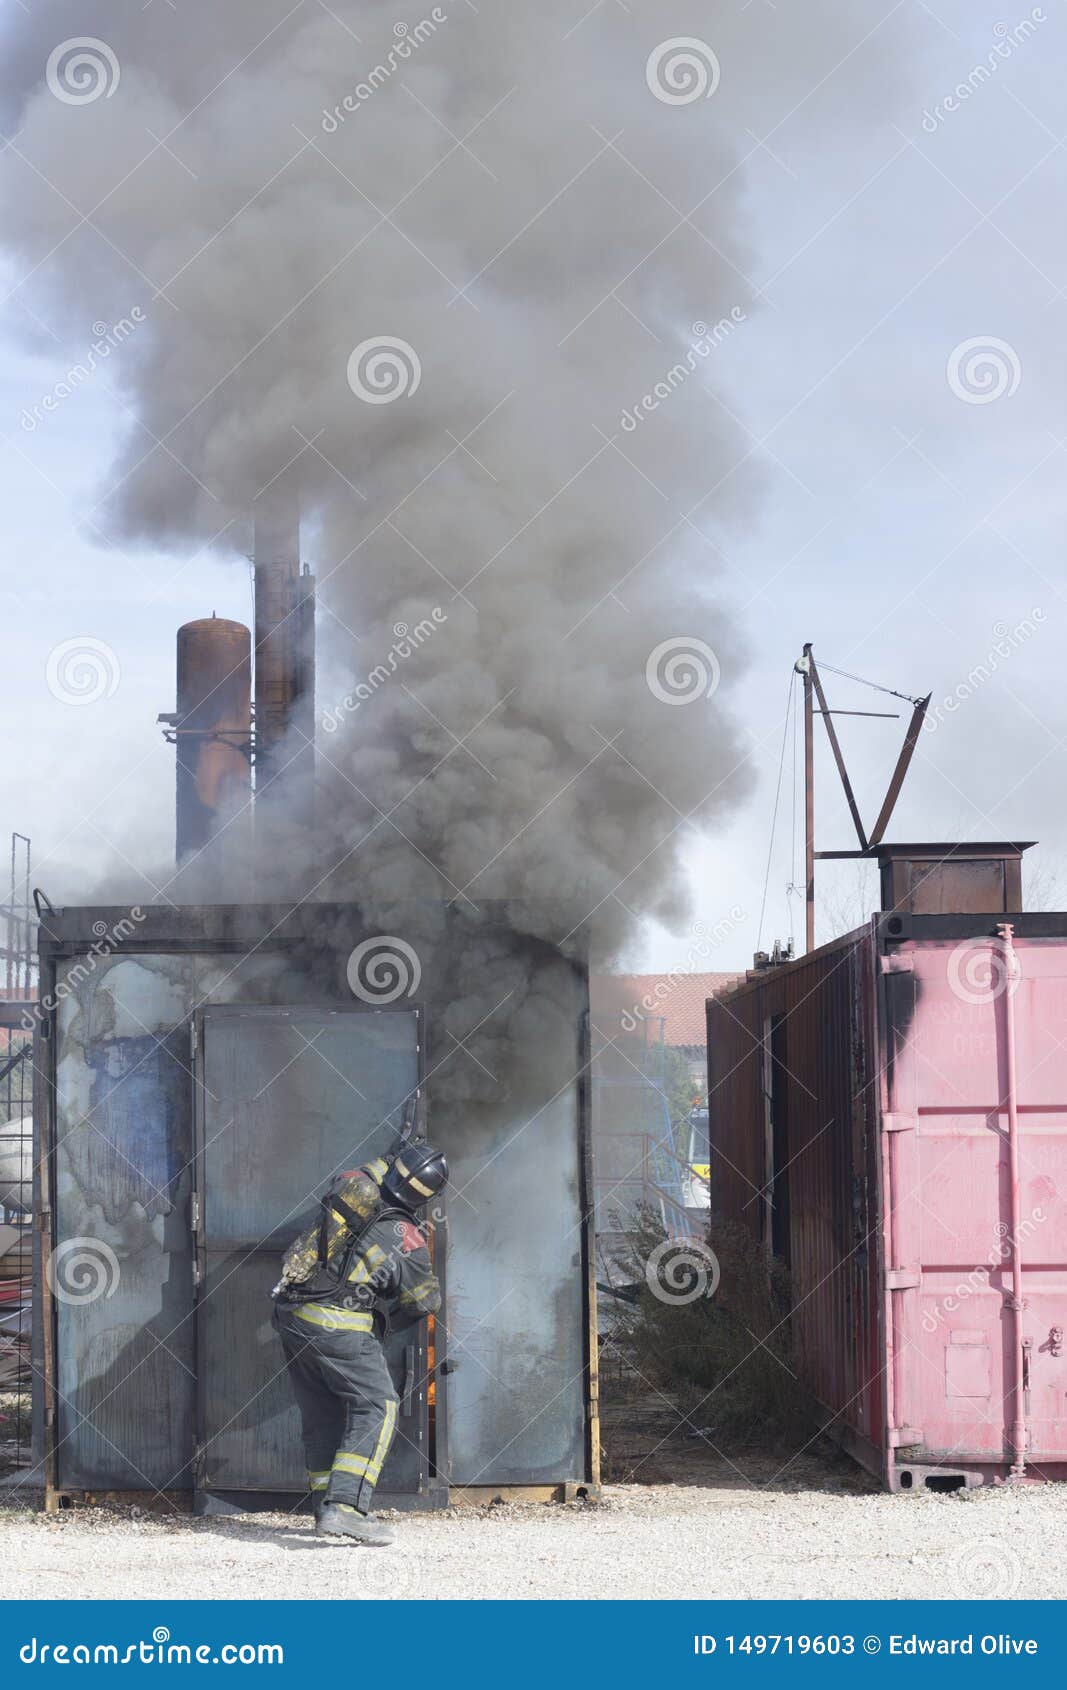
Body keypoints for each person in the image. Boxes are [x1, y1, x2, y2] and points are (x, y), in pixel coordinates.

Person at [272, 1141, 447, 1546]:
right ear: (425, 1198)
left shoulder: (351, 1184)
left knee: (323, 1415)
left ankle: (325, 1506)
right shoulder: (408, 1238)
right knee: (378, 1405)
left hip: (292, 1314)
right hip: (337, 1325)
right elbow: (423, 1302)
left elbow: (373, 1169)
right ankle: (347, 1508)